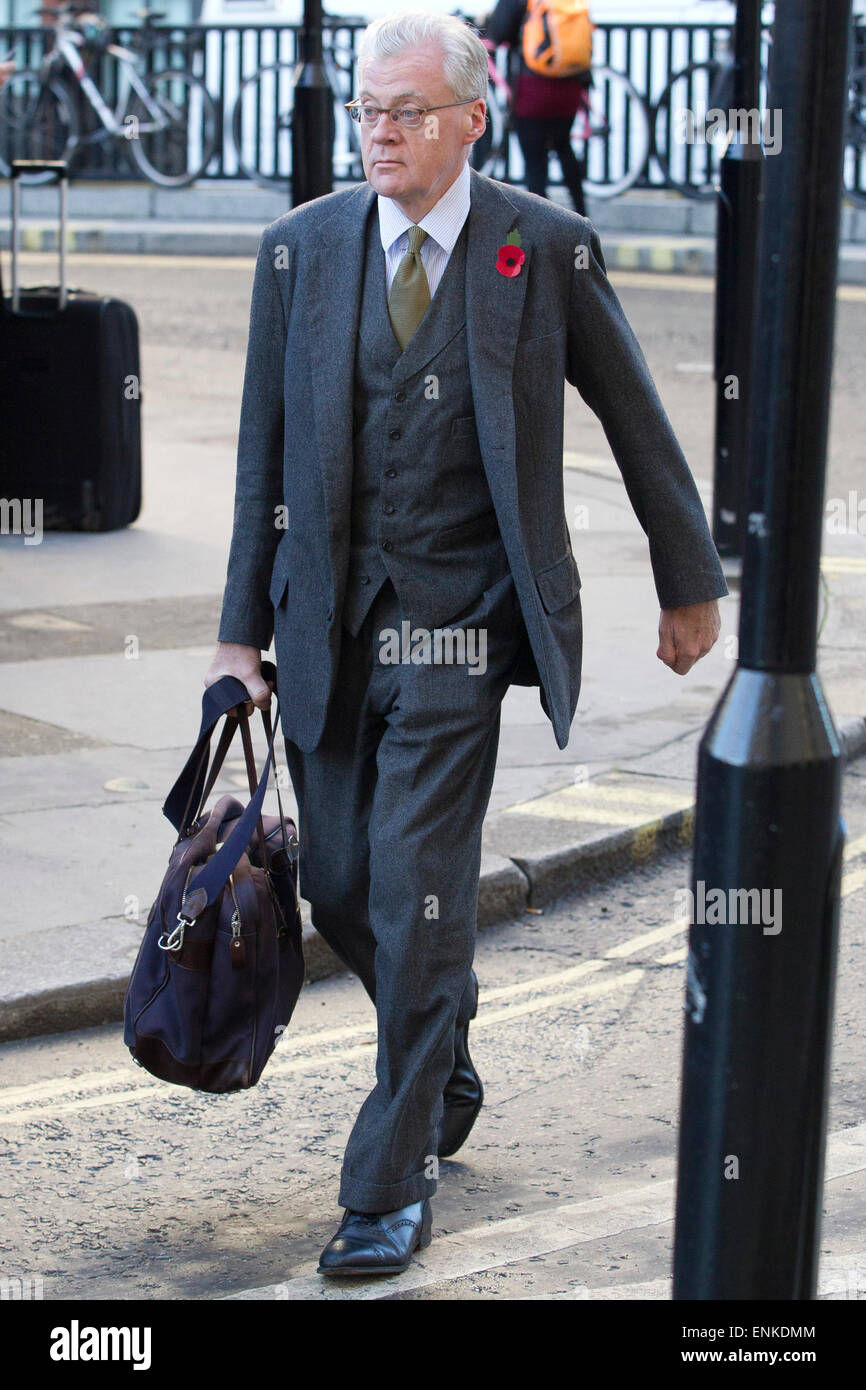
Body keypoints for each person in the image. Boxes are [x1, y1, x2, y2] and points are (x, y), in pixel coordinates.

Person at [204, 8, 726, 1278]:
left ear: (469, 120)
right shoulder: (300, 251)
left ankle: (388, 1181)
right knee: (334, 884)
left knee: (412, 880)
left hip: (460, 629)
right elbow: (259, 457)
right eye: (367, 114)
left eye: (407, 114)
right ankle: (443, 1039)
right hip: (329, 625)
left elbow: (636, 416)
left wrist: (686, 578)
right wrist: (235, 636)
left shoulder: (543, 250)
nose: (380, 134)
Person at [485, 0, 592, 214]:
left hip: (533, 89)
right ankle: (582, 217)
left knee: (535, 161)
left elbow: (497, 33)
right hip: (571, 87)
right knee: (563, 146)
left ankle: (543, 225)